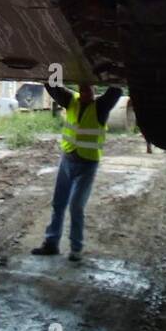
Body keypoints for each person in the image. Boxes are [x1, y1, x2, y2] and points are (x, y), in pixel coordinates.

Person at [32, 74, 123, 263]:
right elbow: (53, 87)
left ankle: (76, 249)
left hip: (87, 165)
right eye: (82, 89)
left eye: (88, 89)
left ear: (94, 90)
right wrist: (50, 68)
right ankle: (51, 244)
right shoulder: (71, 100)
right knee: (58, 203)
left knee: (76, 206)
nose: (84, 92)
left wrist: (112, 72)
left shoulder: (100, 107)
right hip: (67, 161)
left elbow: (116, 90)